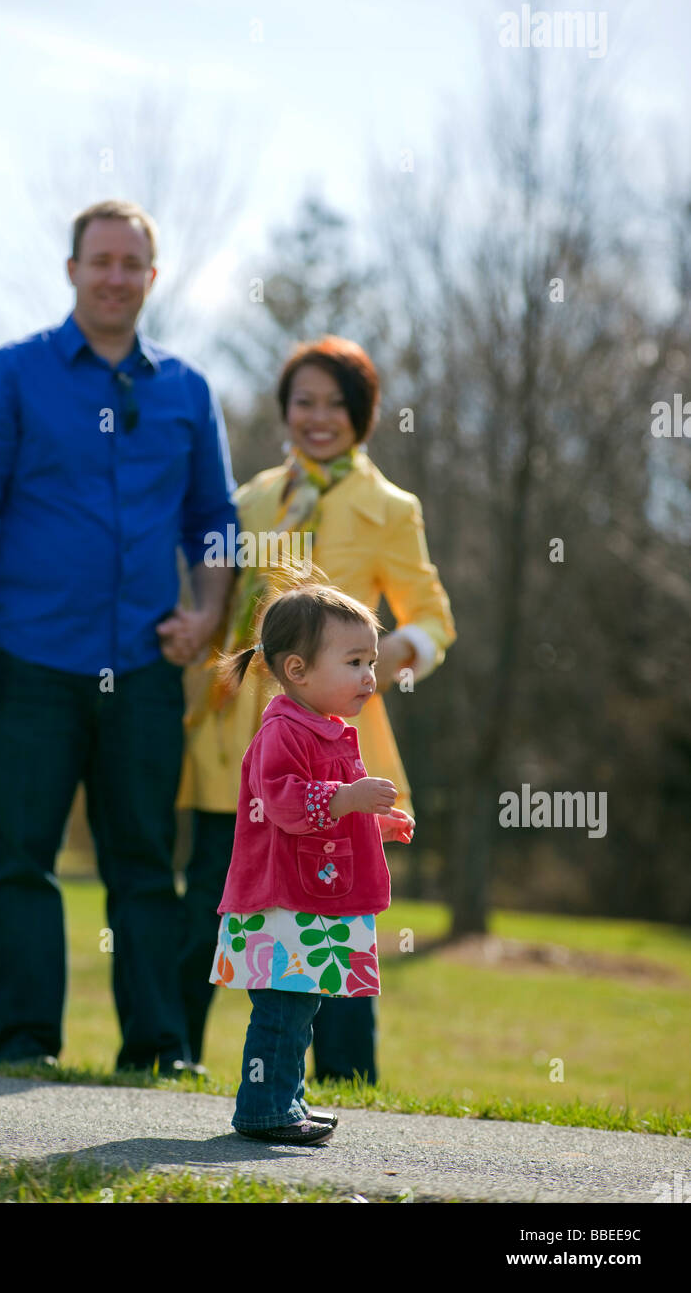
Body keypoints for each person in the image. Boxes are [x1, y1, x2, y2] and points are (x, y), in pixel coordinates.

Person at [0, 199, 238, 1072]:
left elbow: (215, 520)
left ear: (152, 278)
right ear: (71, 271)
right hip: (26, 661)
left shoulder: (186, 389)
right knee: (20, 857)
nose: (115, 277)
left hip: (141, 666)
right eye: (100, 261)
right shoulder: (9, 375)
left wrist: (207, 613)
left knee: (142, 861)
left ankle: (158, 1049)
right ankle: (23, 1045)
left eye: (132, 264)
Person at [177, 336, 456, 1081]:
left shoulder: (391, 509)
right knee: (215, 888)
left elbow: (432, 615)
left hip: (337, 742)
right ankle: (174, 1057)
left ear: (363, 414)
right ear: (285, 411)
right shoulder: (252, 499)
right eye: (304, 401)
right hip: (243, 731)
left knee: (338, 901)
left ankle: (342, 1076)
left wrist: (372, 670)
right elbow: (225, 601)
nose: (319, 417)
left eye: (337, 403)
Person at [210, 581, 415, 1144]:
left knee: (302, 1006)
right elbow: (285, 802)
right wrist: (348, 799)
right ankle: (264, 1110)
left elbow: (327, 816)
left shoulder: (327, 732)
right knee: (282, 1011)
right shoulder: (282, 733)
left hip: (309, 899)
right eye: (353, 662)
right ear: (297, 670)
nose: (369, 676)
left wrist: (371, 822)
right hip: (281, 902)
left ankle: (284, 1101)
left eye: (371, 661)